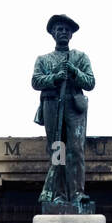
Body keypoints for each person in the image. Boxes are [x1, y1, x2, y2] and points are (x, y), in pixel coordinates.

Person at [32, 14, 94, 212]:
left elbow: (90, 82)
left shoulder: (80, 57)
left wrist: (74, 72)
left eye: (67, 30)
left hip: (74, 106)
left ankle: (77, 193)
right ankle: (57, 194)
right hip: (52, 105)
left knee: (76, 150)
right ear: (53, 33)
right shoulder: (43, 60)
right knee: (57, 149)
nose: (64, 32)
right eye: (60, 29)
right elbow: (35, 81)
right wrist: (55, 77)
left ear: (72, 34)